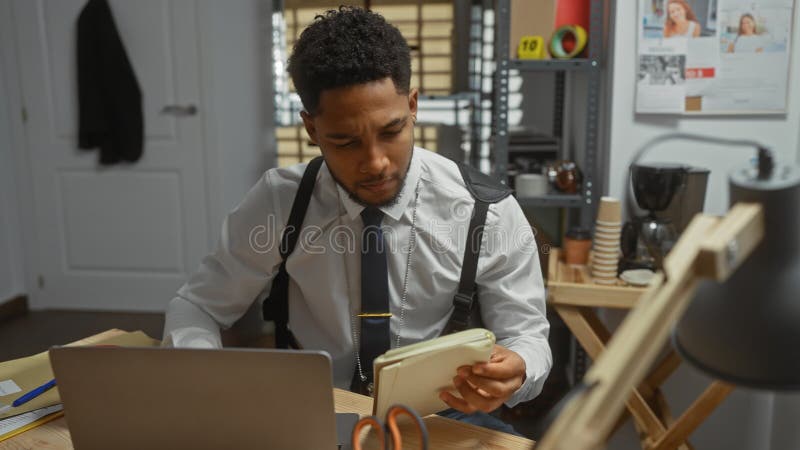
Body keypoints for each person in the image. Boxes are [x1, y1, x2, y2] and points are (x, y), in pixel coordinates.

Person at [164, 6, 551, 434]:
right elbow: (197, 306)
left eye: (392, 131)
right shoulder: (279, 202)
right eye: (345, 141)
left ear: (414, 105)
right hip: (311, 413)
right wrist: (203, 379)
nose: (375, 163)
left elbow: (528, 339)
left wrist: (518, 370)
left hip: (440, 415)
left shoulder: (487, 212)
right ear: (311, 129)